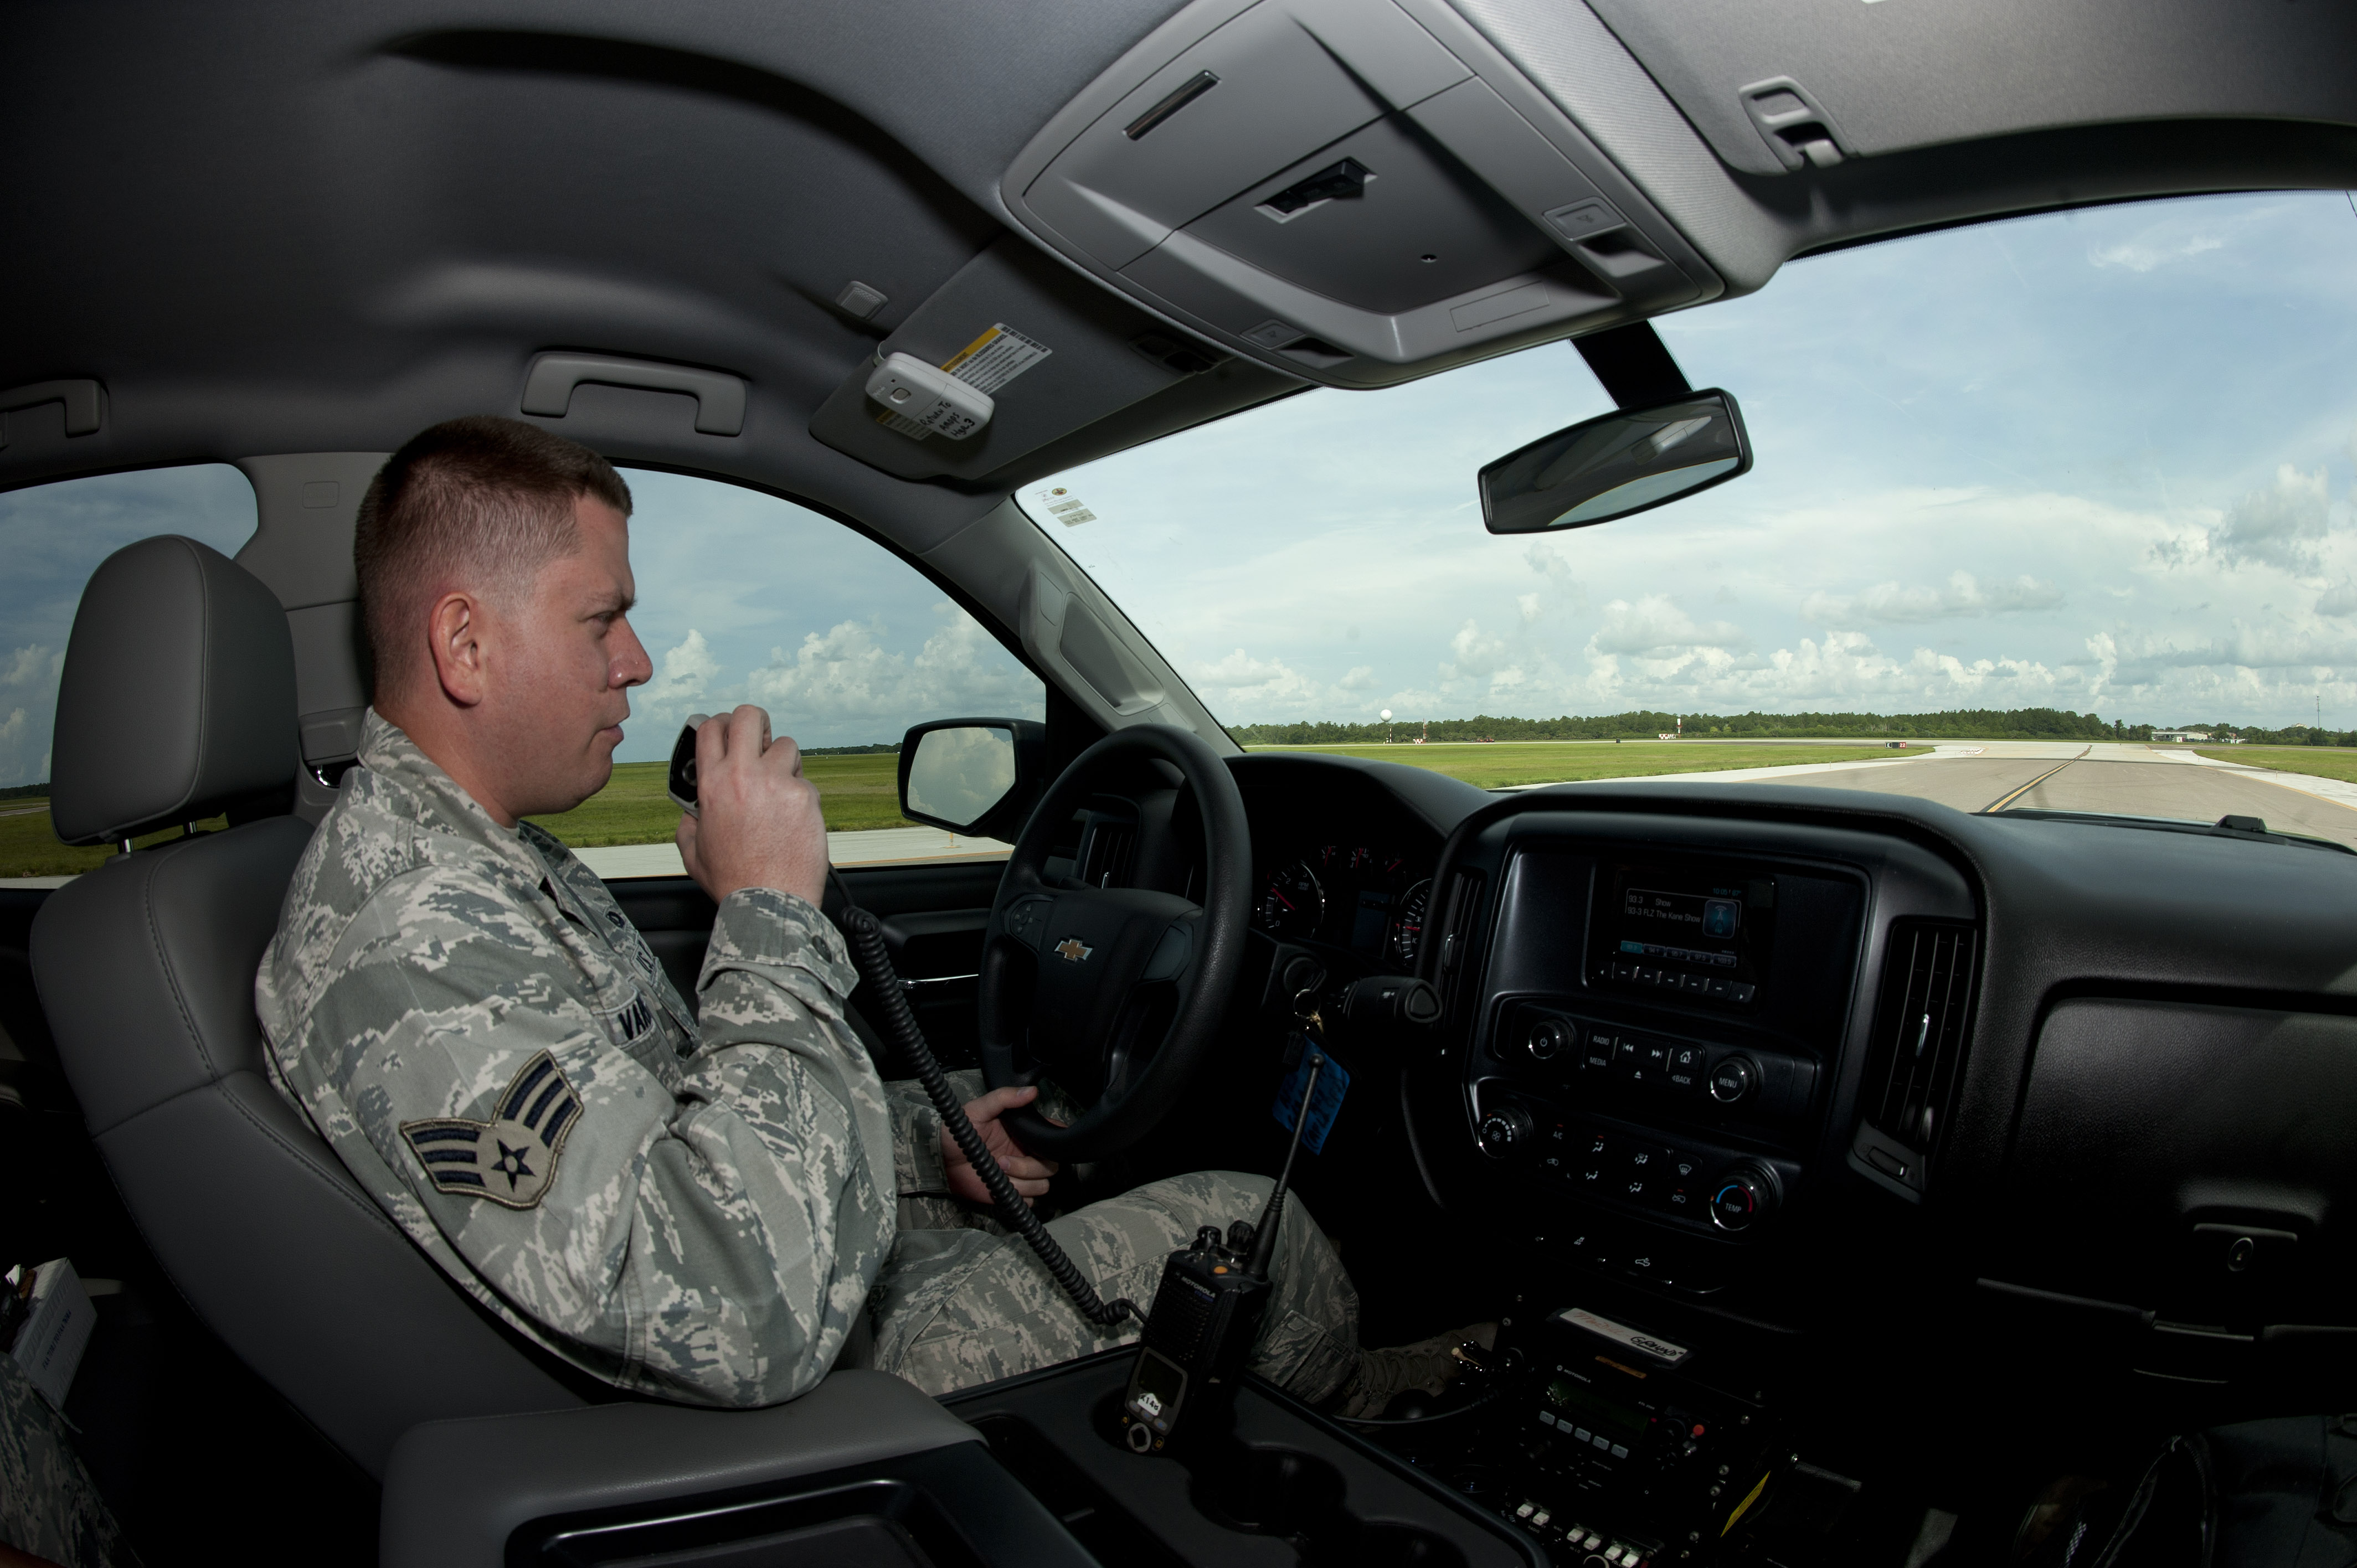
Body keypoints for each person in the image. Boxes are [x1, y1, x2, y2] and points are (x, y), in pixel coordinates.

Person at [256, 416, 1481, 1412]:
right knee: (1255, 1229)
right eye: (600, 618)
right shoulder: (411, 938)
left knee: (1060, 1144)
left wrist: (920, 1151)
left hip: (797, 1291)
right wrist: (768, 911)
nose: (636, 661)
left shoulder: (484, 863)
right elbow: (738, 1305)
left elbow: (667, 1119)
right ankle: (1378, 1409)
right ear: (465, 644)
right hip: (804, 1386)